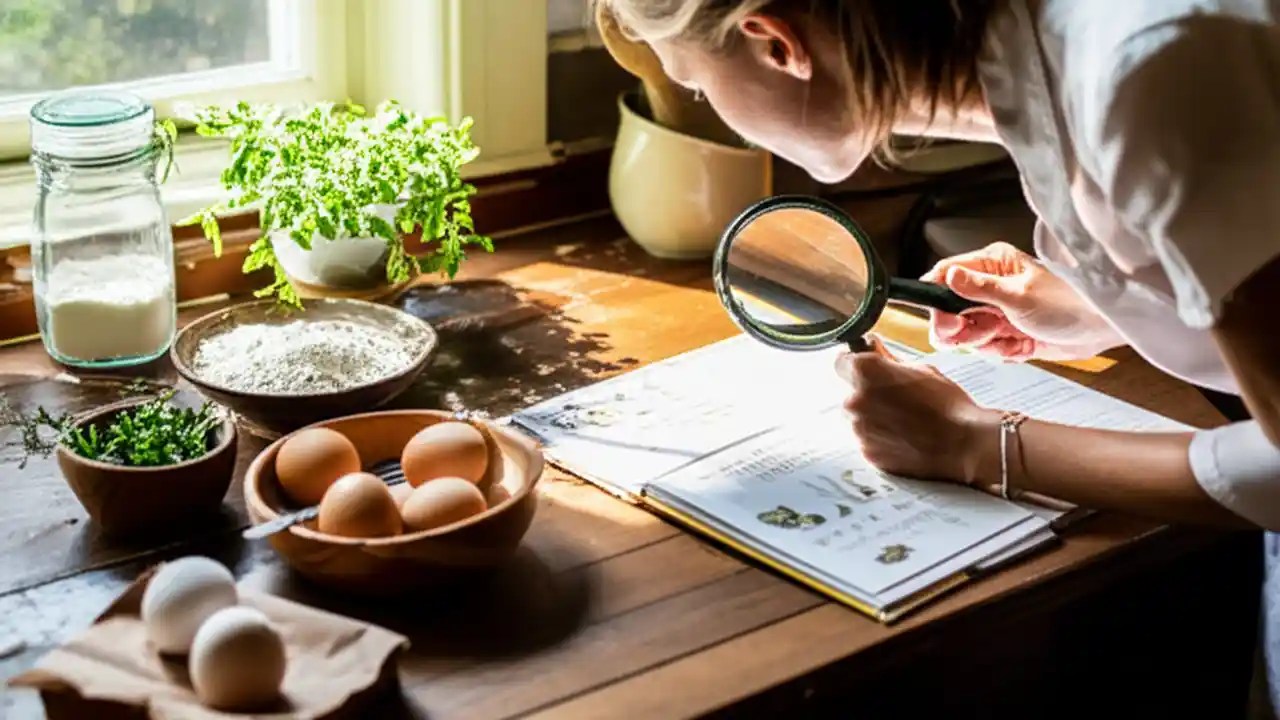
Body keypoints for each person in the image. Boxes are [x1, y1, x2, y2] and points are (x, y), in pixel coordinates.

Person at [600, 0, 1280, 714]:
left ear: (775, 43)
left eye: (700, 87)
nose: (712, 109)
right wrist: (1099, 307)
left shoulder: (1146, 73)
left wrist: (974, 444)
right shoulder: (1064, 58)